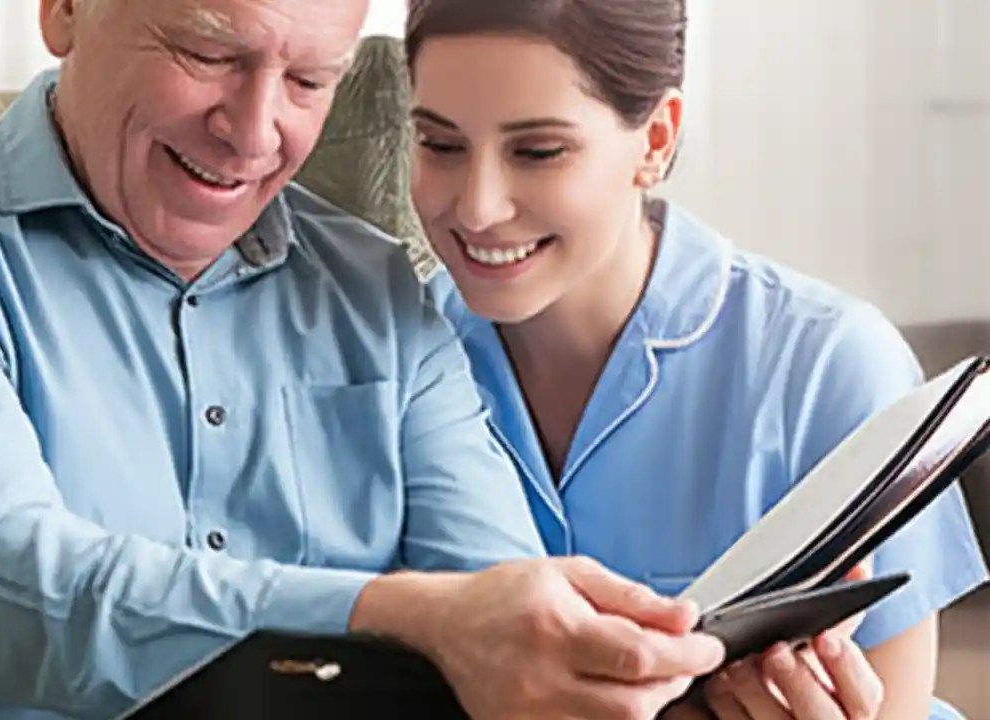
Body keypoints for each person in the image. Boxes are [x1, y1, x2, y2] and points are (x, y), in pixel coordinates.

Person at [0, 0, 727, 718]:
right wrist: (408, 615)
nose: (256, 130)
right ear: (64, 8)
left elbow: (503, 616)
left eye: (311, 82)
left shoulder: (380, 290)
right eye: (207, 51)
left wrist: (673, 678)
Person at [405, 0, 990, 718]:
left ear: (656, 137)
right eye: (440, 145)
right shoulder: (383, 361)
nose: (478, 207)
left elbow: (890, 702)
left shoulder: (828, 369)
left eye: (537, 152)